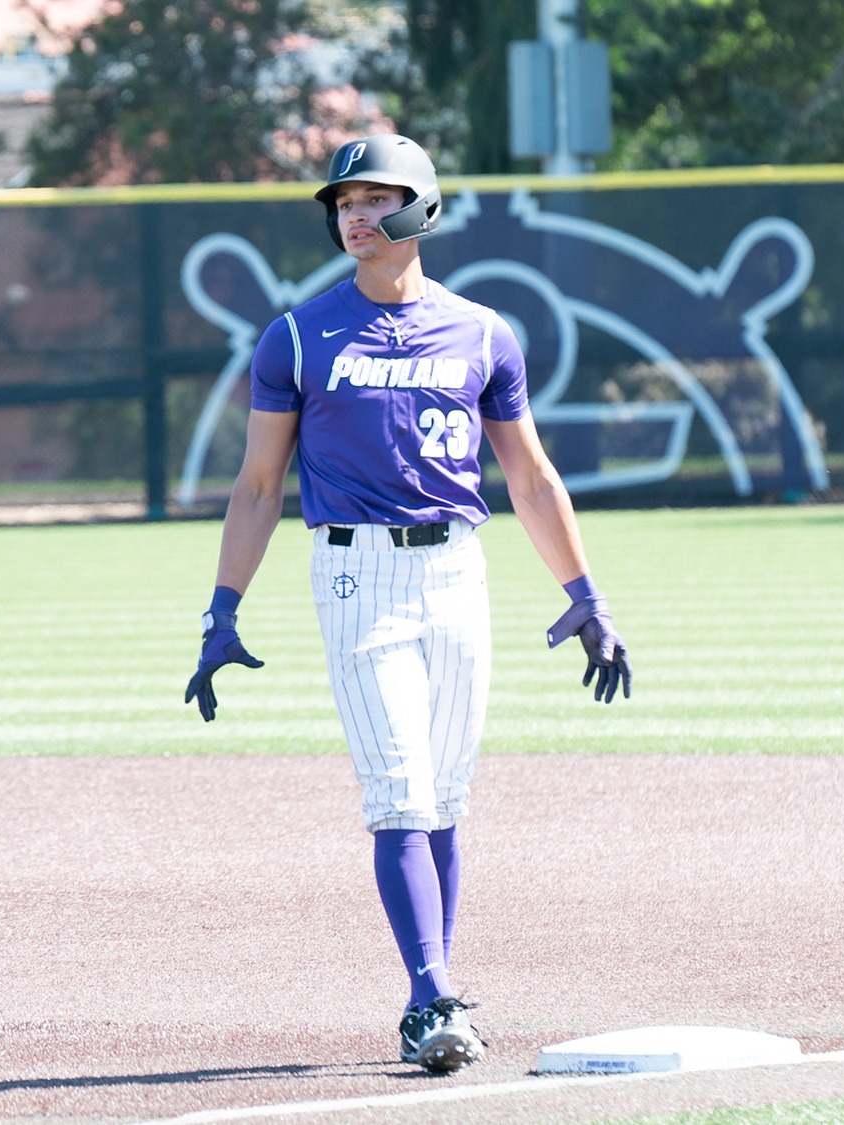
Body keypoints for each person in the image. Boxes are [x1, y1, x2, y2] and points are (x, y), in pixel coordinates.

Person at [184, 134, 632, 1074]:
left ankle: (437, 981)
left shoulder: (481, 333)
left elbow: (532, 478)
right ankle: (429, 998)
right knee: (398, 792)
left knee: (444, 800)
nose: (352, 214)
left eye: (372, 197)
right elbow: (259, 485)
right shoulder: (299, 336)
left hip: (456, 572)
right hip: (356, 577)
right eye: (341, 201)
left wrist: (584, 594)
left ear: (421, 210)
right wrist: (222, 608)